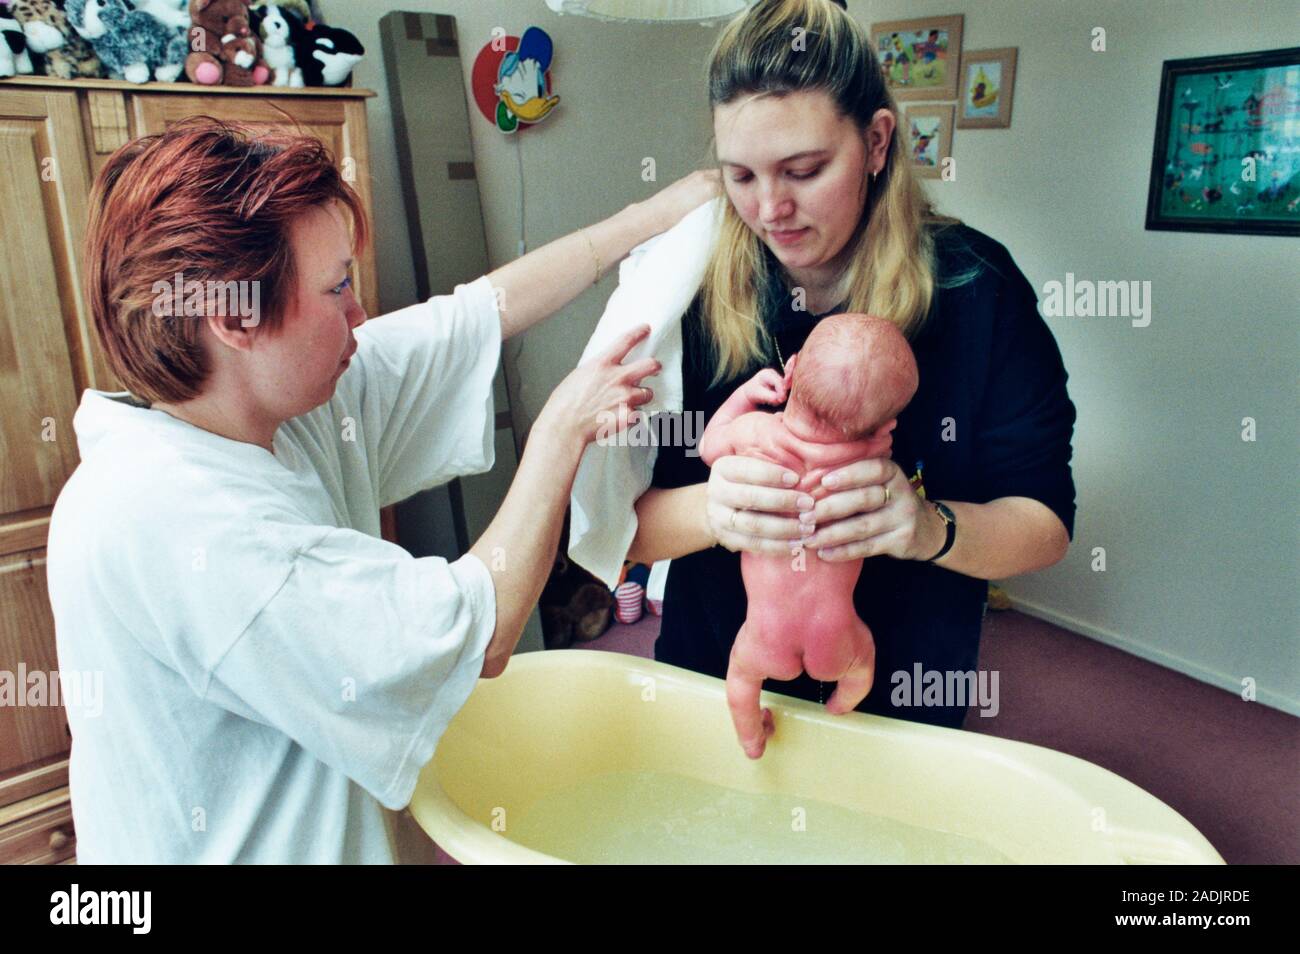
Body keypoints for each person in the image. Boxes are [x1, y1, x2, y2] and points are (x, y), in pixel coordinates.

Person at [45, 116, 718, 863]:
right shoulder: (182, 523)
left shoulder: (265, 409)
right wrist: (560, 432)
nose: (361, 314)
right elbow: (478, 631)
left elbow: (479, 314)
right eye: (337, 289)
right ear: (233, 320)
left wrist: (660, 216)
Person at [626, 0, 1077, 733]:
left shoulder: (978, 291)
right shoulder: (687, 289)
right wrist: (716, 507)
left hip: (900, 701)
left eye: (803, 170)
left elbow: (1045, 523)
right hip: (716, 675)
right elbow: (622, 527)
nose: (770, 209)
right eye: (739, 176)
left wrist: (926, 527)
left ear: (875, 142)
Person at [698, 314, 918, 758]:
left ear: (791, 370)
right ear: (883, 426)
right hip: (836, 640)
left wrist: (744, 396)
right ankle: (839, 707)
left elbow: (708, 446)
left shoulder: (757, 435)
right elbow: (880, 443)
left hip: (764, 635)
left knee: (741, 679)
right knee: (863, 662)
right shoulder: (870, 457)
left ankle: (752, 740)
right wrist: (878, 433)